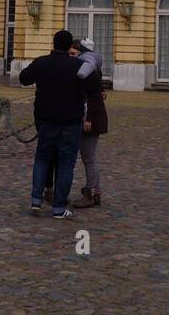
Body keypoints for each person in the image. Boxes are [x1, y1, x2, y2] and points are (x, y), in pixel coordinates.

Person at [20, 29, 88, 219]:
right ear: (69, 47)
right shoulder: (78, 65)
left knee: (42, 159)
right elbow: (91, 88)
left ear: (53, 43)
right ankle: (59, 208)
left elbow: (23, 79)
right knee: (66, 164)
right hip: (70, 121)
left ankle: (36, 200)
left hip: (46, 119)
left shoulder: (42, 62)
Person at [72, 38, 108, 209]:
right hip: (93, 117)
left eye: (73, 54)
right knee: (90, 158)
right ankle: (96, 192)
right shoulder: (93, 66)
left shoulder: (86, 70)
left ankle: (91, 192)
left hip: (90, 119)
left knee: (88, 158)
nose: (71, 57)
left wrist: (88, 119)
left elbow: (91, 96)